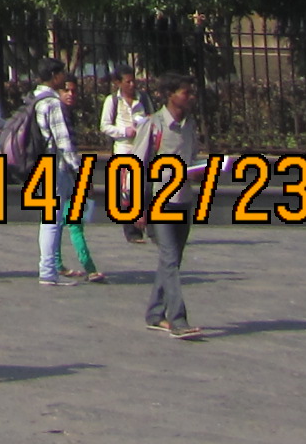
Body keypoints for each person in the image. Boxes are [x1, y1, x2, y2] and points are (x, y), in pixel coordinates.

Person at [135, 76, 207, 339]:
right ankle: (178, 319)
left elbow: (192, 157)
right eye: (185, 92)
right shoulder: (154, 126)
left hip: (184, 200)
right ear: (170, 95)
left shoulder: (189, 125)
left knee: (172, 260)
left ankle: (155, 313)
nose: (190, 97)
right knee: (169, 259)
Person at [29, 65, 98, 286]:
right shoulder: (52, 103)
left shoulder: (33, 99)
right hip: (55, 167)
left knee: (48, 219)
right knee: (52, 220)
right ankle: (48, 271)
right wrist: (79, 169)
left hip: (39, 164)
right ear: (53, 76)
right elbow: (63, 141)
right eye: (60, 74)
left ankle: (48, 268)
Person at [101, 70, 149, 243]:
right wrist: (124, 131)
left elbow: (151, 118)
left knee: (143, 187)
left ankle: (147, 224)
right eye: (127, 82)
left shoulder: (142, 98)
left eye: (133, 81)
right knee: (126, 190)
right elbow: (105, 126)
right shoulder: (112, 101)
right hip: (123, 148)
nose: (132, 85)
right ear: (118, 83)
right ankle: (132, 231)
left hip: (141, 148)